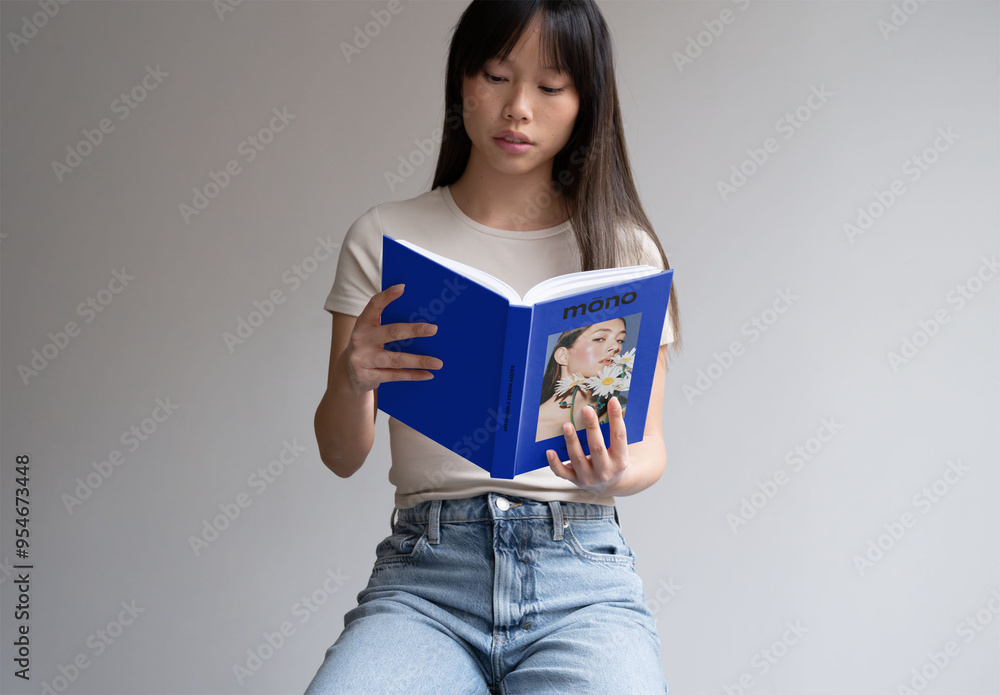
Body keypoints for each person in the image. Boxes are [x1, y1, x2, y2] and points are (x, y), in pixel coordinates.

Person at [305, 1, 682, 692]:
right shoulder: (385, 238)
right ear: (462, 83)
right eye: (497, 75)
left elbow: (652, 447)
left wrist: (612, 472)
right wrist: (352, 380)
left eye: (550, 86)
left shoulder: (624, 248)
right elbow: (340, 453)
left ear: (585, 102)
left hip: (581, 577)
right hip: (427, 577)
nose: (518, 109)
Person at [535, 317, 630, 442]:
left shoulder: (621, 409)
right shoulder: (534, 426)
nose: (616, 347)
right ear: (563, 356)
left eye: (620, 340)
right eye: (599, 338)